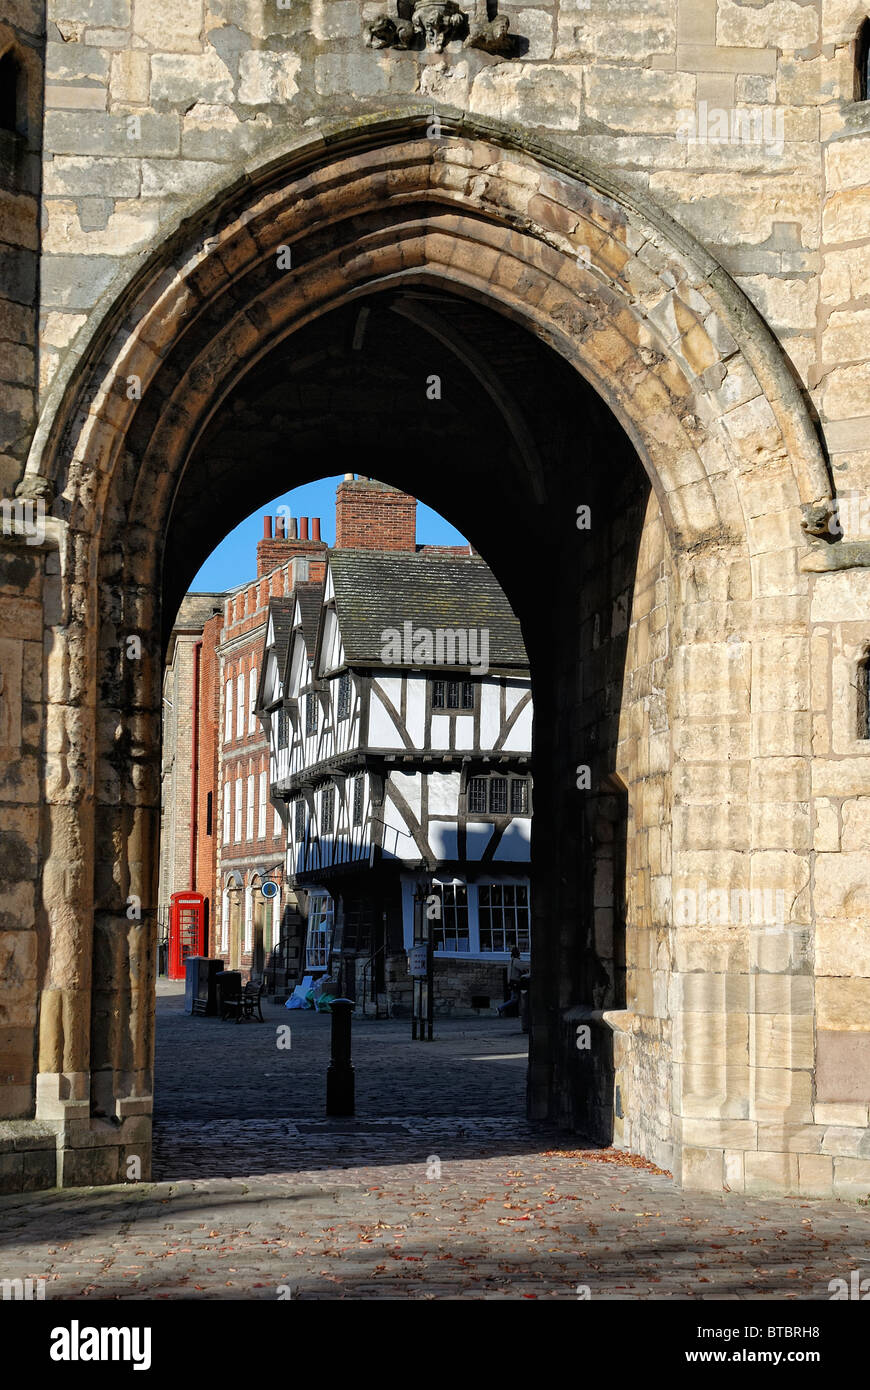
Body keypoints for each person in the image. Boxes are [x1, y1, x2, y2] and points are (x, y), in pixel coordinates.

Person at [497, 947, 528, 1017]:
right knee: (515, 999)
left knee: (517, 999)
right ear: (517, 953)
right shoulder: (516, 961)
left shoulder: (511, 961)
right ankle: (500, 1008)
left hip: (512, 982)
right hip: (516, 982)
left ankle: (520, 1013)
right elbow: (524, 969)